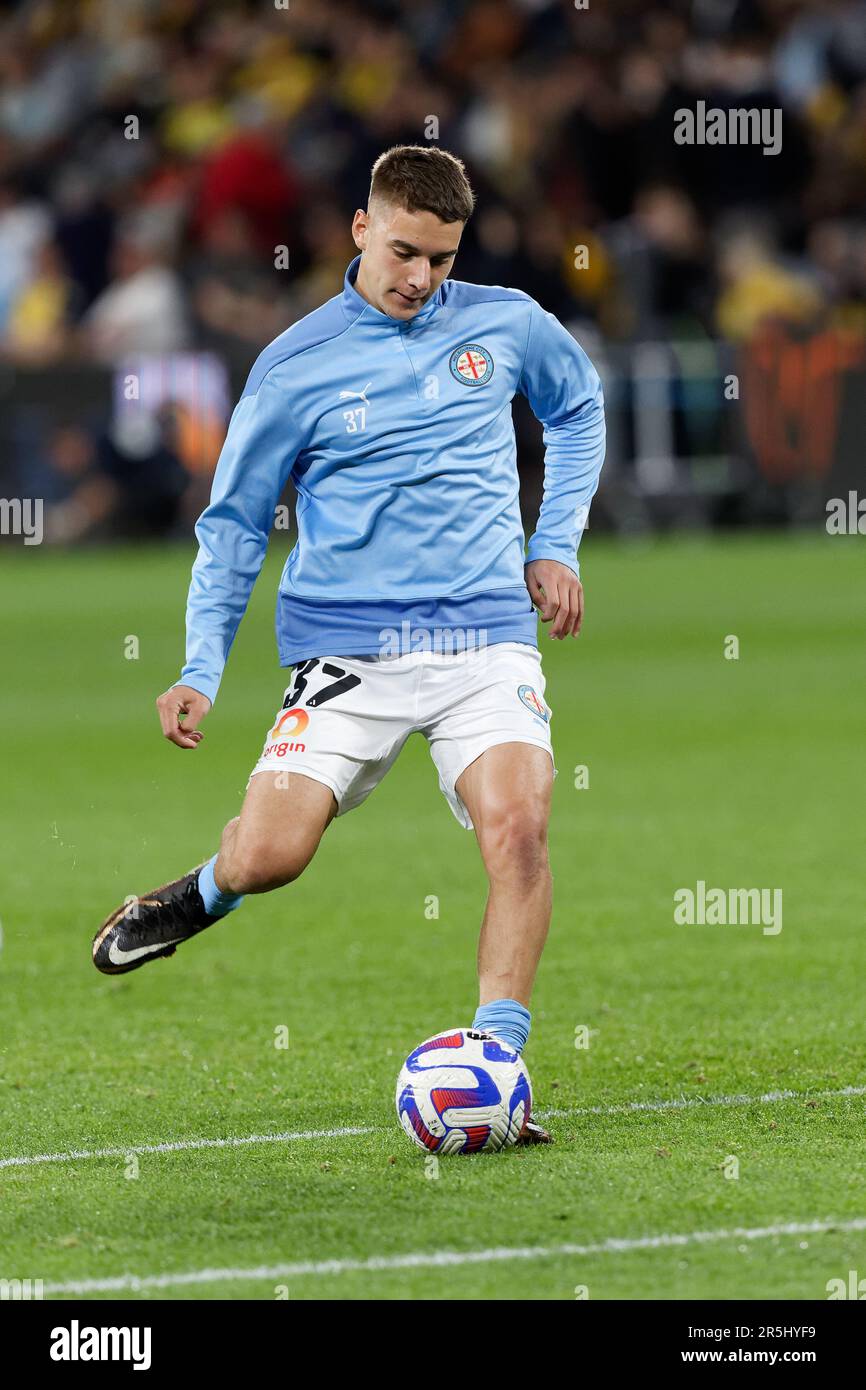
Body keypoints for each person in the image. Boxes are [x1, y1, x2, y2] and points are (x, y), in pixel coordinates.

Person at [92, 146, 605, 1143]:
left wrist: (553, 545)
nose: (420, 278)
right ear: (361, 230)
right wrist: (201, 664)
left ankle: (496, 1064)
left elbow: (576, 407)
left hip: (483, 638)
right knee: (270, 857)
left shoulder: (504, 325)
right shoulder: (294, 365)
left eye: (442, 259)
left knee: (519, 829)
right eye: (405, 251)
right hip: (349, 653)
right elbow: (235, 525)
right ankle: (199, 894)